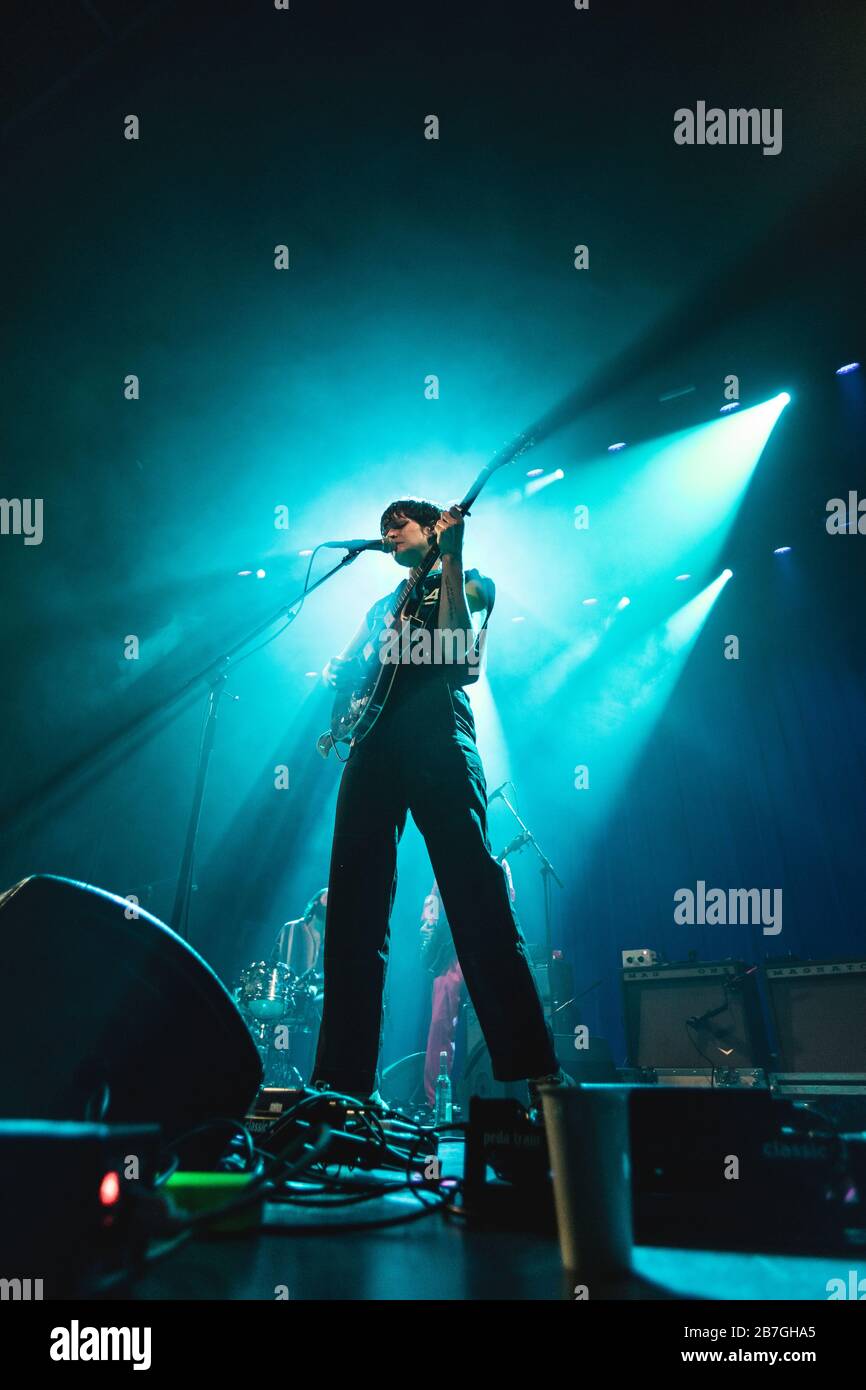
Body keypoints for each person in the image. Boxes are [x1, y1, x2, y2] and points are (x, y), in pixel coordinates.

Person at [311, 497, 570, 1110]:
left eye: (397, 523)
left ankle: (536, 1071)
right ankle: (340, 1087)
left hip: (436, 733)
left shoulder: (471, 582)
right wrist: (339, 688)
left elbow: (459, 658)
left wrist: (451, 560)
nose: (385, 532)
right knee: (353, 909)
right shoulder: (380, 605)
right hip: (372, 747)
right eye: (381, 526)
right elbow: (351, 669)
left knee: (473, 892)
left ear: (432, 529)